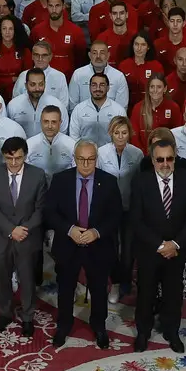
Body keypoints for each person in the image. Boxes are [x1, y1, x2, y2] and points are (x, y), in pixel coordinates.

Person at [46, 139, 122, 348]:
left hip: (98, 245)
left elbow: (115, 215)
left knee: (98, 289)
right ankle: (64, 325)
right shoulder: (60, 180)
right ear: (74, 159)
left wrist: (96, 232)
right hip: (68, 244)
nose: (86, 164)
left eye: (90, 159)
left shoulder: (109, 181)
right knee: (65, 288)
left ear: (96, 159)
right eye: (81, 159)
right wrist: (69, 229)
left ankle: (99, 326)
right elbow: (50, 212)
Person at [131, 135, 186, 352]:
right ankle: (143, 332)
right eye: (160, 159)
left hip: (176, 251)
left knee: (174, 294)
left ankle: (172, 331)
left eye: (170, 158)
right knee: (146, 294)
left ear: (175, 158)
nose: (165, 164)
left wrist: (175, 244)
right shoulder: (140, 182)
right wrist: (160, 245)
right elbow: (136, 220)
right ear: (152, 160)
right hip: (150, 250)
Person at [0, 136, 45, 336]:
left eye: (18, 158)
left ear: (25, 155)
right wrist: (11, 230)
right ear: (3, 156)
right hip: (0, 237)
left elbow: (41, 209)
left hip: (27, 237)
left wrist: (23, 229)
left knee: (27, 280)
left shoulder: (38, 175)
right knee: (2, 279)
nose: (14, 163)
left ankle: (27, 317)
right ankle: (4, 314)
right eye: (9, 158)